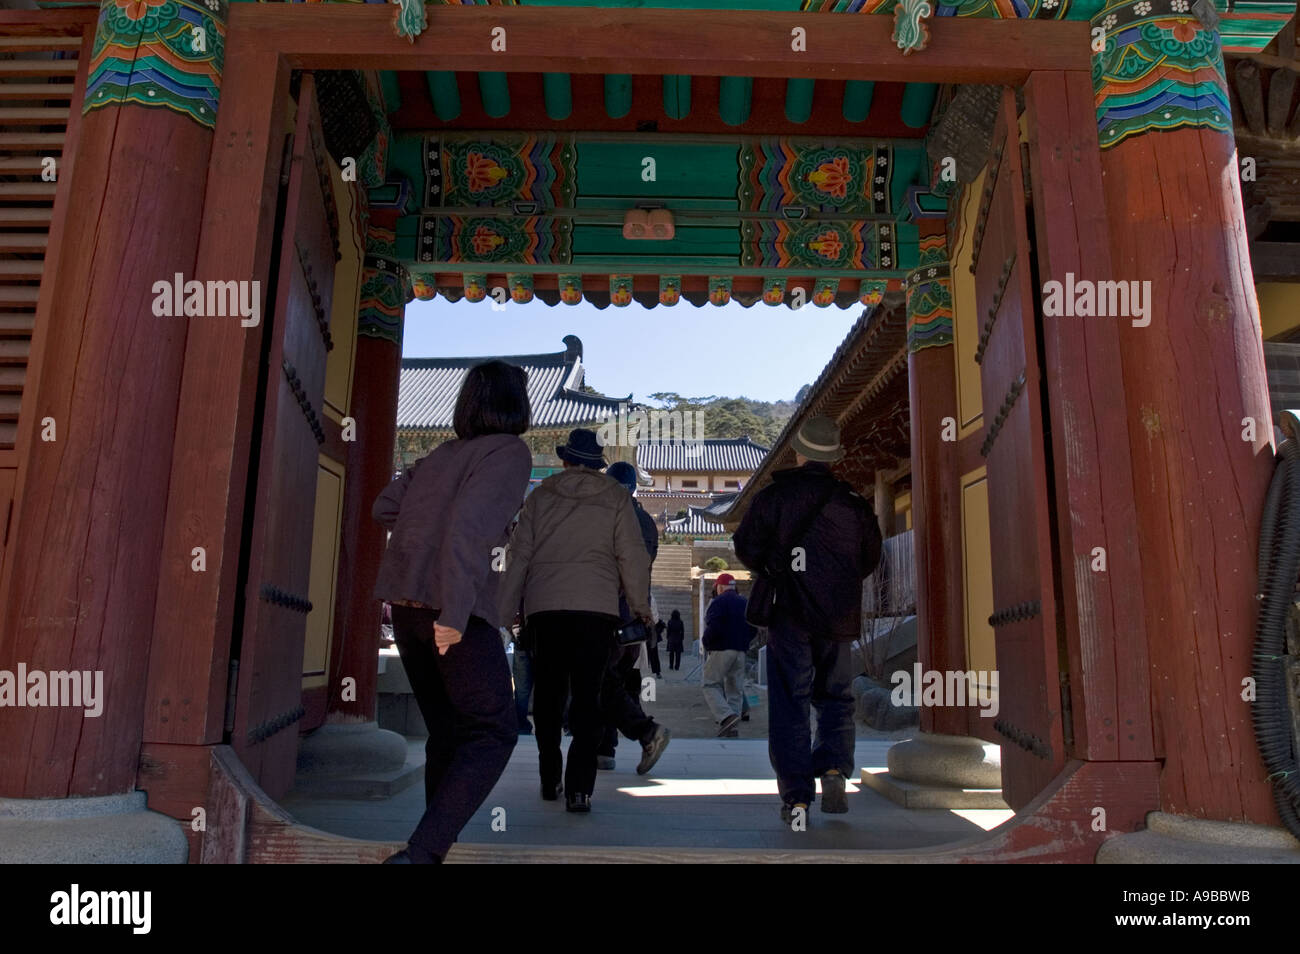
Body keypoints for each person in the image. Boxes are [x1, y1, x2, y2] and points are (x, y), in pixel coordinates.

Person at [371, 360, 533, 863]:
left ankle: (429, 846)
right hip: (452, 605)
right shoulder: (509, 452)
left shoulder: (442, 453)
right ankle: (423, 853)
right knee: (493, 729)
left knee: (446, 731)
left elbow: (384, 506)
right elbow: (470, 530)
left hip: (406, 605)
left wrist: (428, 501)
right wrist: (455, 615)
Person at [498, 429, 659, 813]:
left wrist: (504, 612)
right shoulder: (616, 497)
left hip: (545, 610)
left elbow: (517, 556)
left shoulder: (540, 496)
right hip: (597, 611)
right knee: (588, 699)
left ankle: (549, 778)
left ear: (566, 461)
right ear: (596, 464)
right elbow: (631, 557)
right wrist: (640, 607)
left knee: (550, 698)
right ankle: (579, 791)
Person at [733, 415, 882, 826]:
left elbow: (746, 546)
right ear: (832, 457)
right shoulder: (852, 500)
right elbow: (870, 557)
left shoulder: (774, 497)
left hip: (789, 612)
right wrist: (835, 581)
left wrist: (776, 568)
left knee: (790, 701)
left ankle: (797, 797)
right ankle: (834, 769)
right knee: (836, 697)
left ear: (798, 452)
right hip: (838, 614)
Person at [594, 461, 672, 772]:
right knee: (619, 680)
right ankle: (610, 747)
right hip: (637, 616)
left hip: (610, 610)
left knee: (602, 680)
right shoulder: (647, 522)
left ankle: (640, 734)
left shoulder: (607, 517)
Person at [700, 573, 755, 737]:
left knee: (709, 683)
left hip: (721, 649)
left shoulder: (718, 602)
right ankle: (733, 728)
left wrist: (707, 642)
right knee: (735, 689)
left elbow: (713, 626)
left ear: (720, 587)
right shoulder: (745, 602)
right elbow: (753, 627)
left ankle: (726, 717)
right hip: (740, 650)